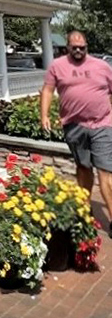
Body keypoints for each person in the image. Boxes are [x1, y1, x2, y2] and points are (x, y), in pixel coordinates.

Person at [40, 29, 112, 237]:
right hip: (73, 125)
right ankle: (84, 207)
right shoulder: (57, 65)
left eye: (83, 47)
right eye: (75, 47)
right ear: (68, 47)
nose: (79, 50)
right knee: (83, 167)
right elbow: (47, 90)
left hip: (102, 124)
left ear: (87, 47)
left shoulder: (102, 66)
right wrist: (44, 115)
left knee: (106, 171)